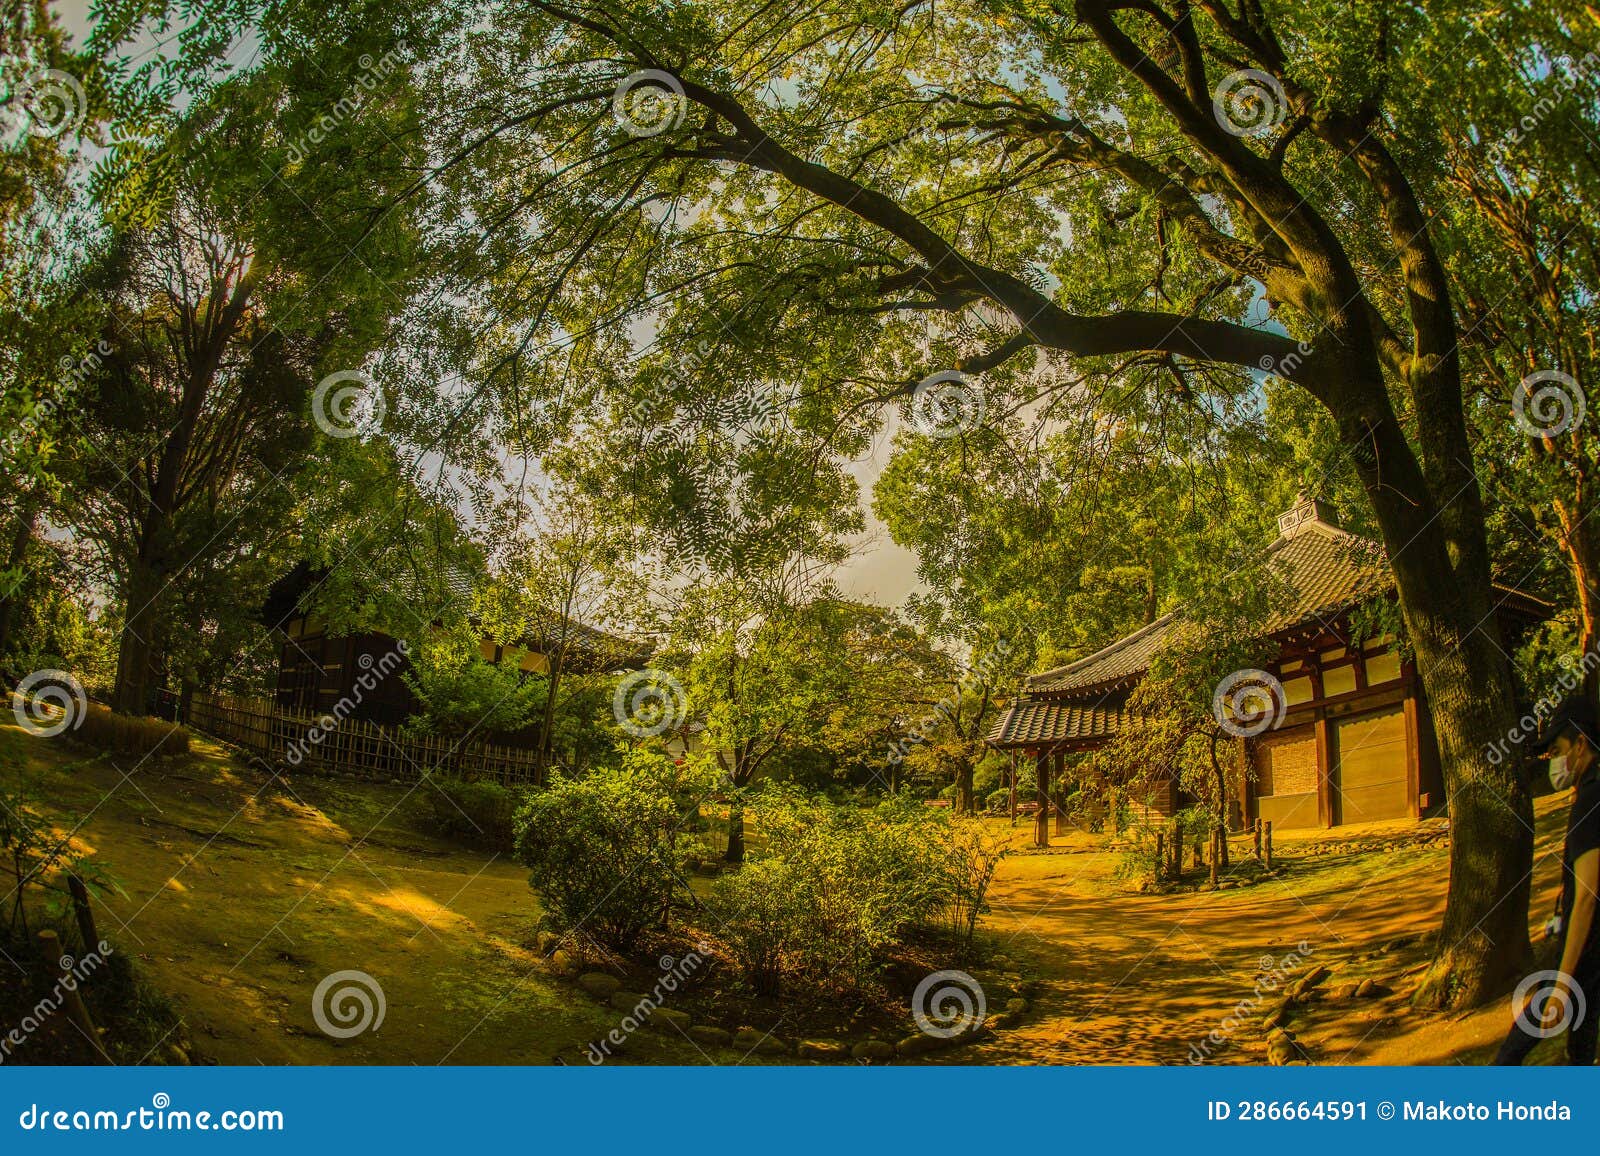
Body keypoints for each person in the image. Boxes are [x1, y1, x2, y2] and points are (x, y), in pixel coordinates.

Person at [1493, 694, 1600, 1065]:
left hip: (1582, 952)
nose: (1554, 761)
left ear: (1581, 744)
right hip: (1587, 953)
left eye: (1557, 749)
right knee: (1580, 1052)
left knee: (1511, 1054)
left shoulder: (1591, 800)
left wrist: (1563, 980)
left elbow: (1587, 894)